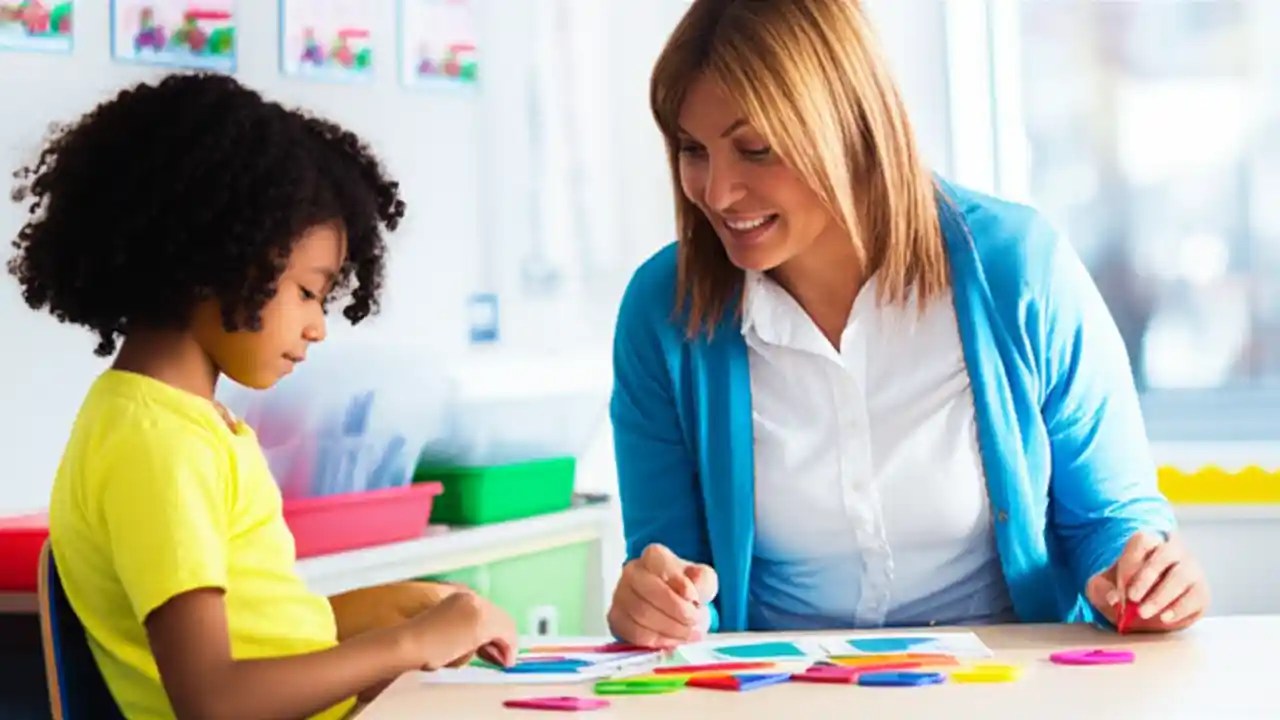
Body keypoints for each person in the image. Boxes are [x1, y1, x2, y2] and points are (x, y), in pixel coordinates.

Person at [605, 0, 1209, 649]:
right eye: (693, 150)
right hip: (778, 695)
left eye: (755, 149)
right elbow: (674, 570)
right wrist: (660, 604)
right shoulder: (663, 312)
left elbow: (1110, 523)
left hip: (1002, 689)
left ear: (852, 126)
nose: (717, 192)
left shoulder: (1019, 271)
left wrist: (1143, 579)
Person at [9, 73, 516, 720]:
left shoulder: (178, 423)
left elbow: (257, 634)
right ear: (213, 259)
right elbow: (213, 699)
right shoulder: (158, 445)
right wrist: (407, 643)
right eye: (307, 292)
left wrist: (395, 608)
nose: (317, 325)